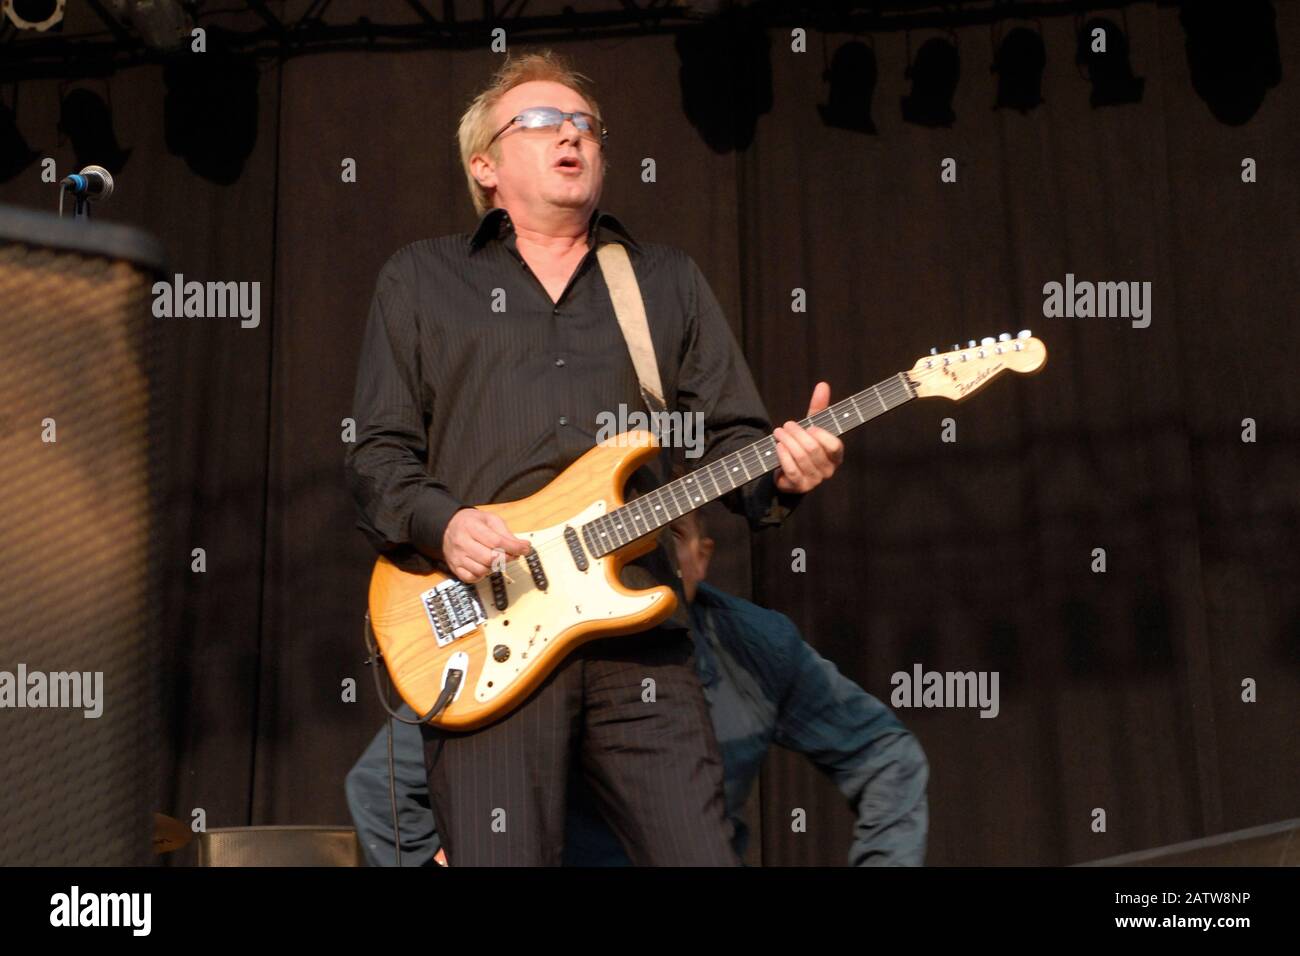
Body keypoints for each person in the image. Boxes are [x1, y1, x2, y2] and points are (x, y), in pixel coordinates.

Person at [344, 49, 844, 866]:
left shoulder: (663, 281)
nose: (569, 136)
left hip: (638, 639)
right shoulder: (421, 279)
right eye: (540, 122)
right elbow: (378, 458)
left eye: (585, 125)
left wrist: (784, 470)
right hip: (486, 630)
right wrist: (446, 526)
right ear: (486, 166)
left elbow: (735, 440)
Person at [346, 509, 929, 866]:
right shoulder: (537, 642)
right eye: (623, 533)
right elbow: (382, 787)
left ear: (699, 559)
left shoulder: (757, 646)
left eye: (665, 537)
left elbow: (883, 753)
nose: (638, 550)